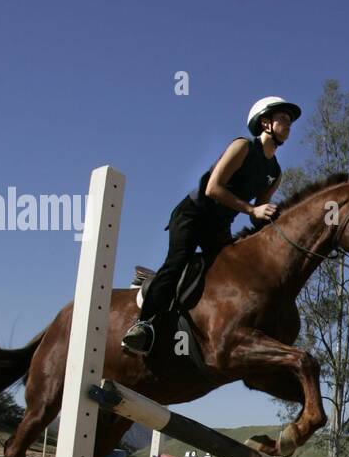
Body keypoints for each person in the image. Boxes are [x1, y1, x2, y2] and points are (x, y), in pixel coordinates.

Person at [121, 96, 301, 356]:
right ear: (265, 123)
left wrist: (277, 219)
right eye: (283, 118)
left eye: (290, 121)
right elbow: (213, 188)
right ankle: (142, 325)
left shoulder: (275, 172)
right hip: (193, 214)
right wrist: (251, 209)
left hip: (218, 226)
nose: (289, 124)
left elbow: (257, 215)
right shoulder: (242, 147)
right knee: (178, 262)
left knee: (229, 273)